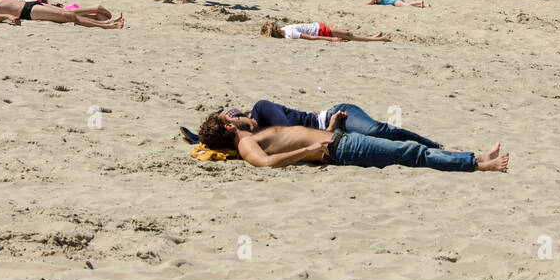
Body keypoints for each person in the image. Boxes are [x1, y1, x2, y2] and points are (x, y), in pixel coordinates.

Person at [198, 113, 507, 172]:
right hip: (343, 149)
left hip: (341, 139)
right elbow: (266, 163)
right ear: (228, 126)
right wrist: (308, 150)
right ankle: (478, 165)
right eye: (231, 116)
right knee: (410, 153)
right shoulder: (245, 146)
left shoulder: (250, 139)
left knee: (406, 148)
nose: (238, 115)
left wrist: (328, 129)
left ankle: (475, 157)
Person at [218, 100, 443, 148]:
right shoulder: (248, 137)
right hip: (331, 135)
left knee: (378, 130)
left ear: (243, 116)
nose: (252, 130)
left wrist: (329, 127)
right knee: (377, 142)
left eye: (248, 125)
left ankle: (435, 147)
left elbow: (293, 132)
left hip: (336, 116)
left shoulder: (262, 108)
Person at [260, 21, 392, 42]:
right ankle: (379, 39)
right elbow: (311, 38)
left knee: (348, 35)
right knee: (348, 35)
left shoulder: (284, 30)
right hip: (321, 31)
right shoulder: (289, 34)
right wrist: (331, 39)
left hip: (319, 27)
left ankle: (372, 37)